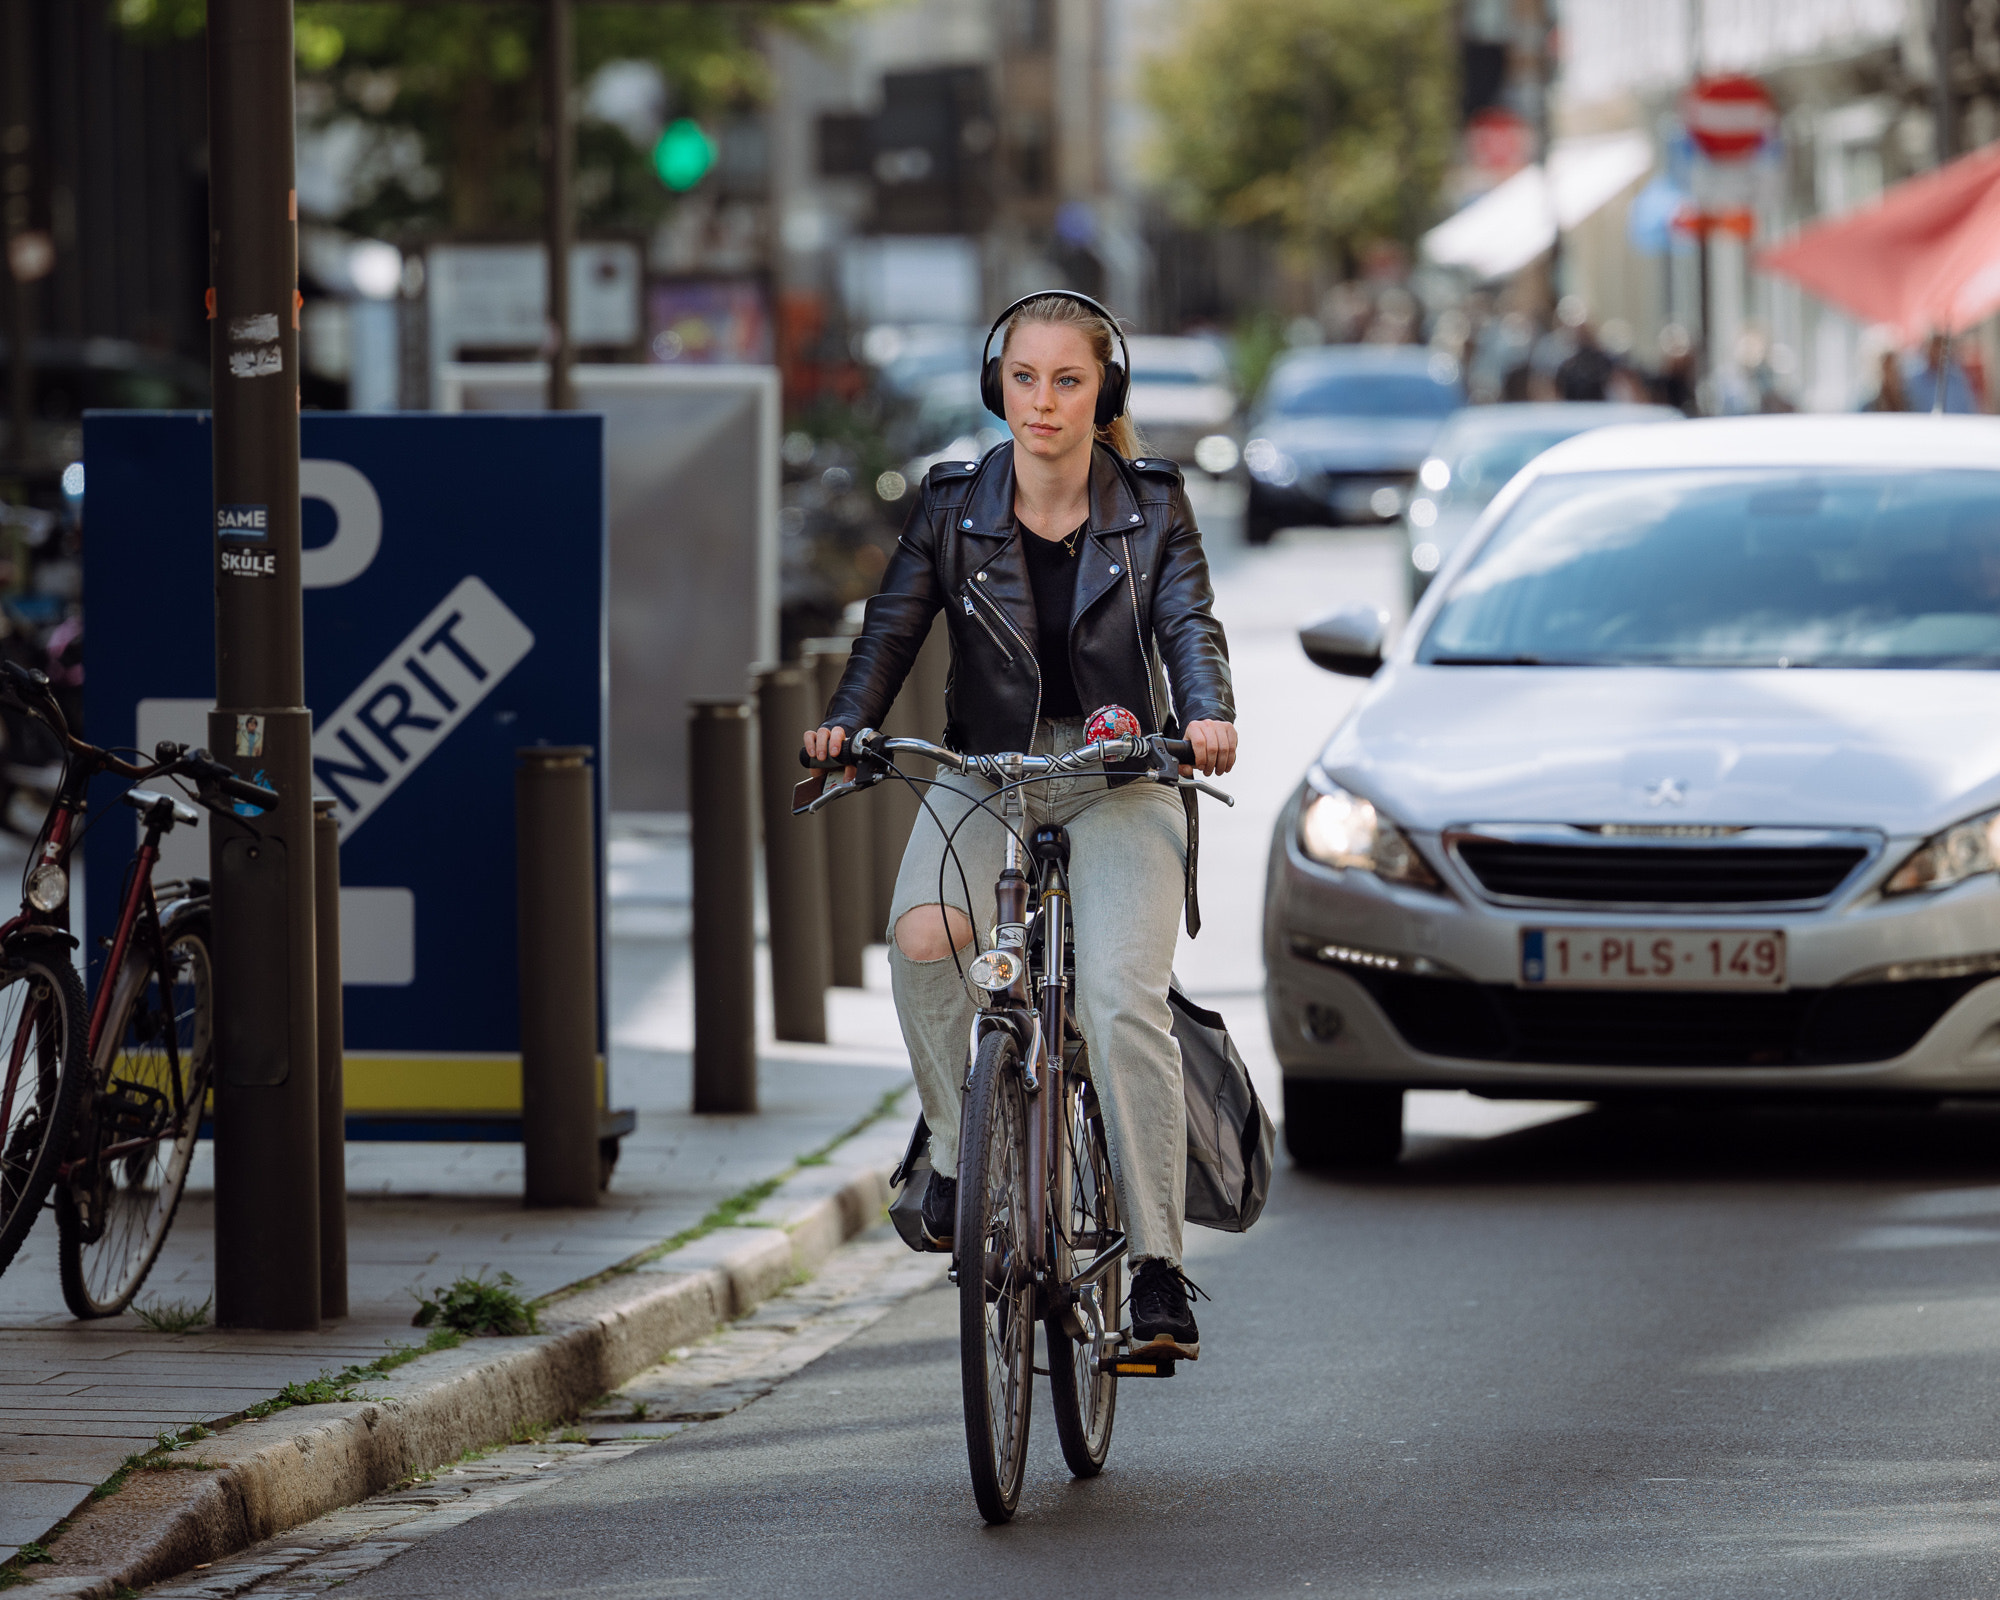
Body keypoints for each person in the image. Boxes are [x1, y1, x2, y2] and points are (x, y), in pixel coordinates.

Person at [804, 292, 1236, 1361]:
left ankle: (1155, 1271)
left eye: (1068, 380)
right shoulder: (953, 505)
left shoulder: (1153, 505)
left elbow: (1188, 619)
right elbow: (893, 622)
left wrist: (1208, 711)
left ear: (1106, 393)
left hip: (1120, 768)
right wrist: (846, 723)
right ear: (996, 385)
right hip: (986, 764)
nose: (1042, 402)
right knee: (922, 933)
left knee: (1115, 999)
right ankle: (956, 1154)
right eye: (1024, 378)